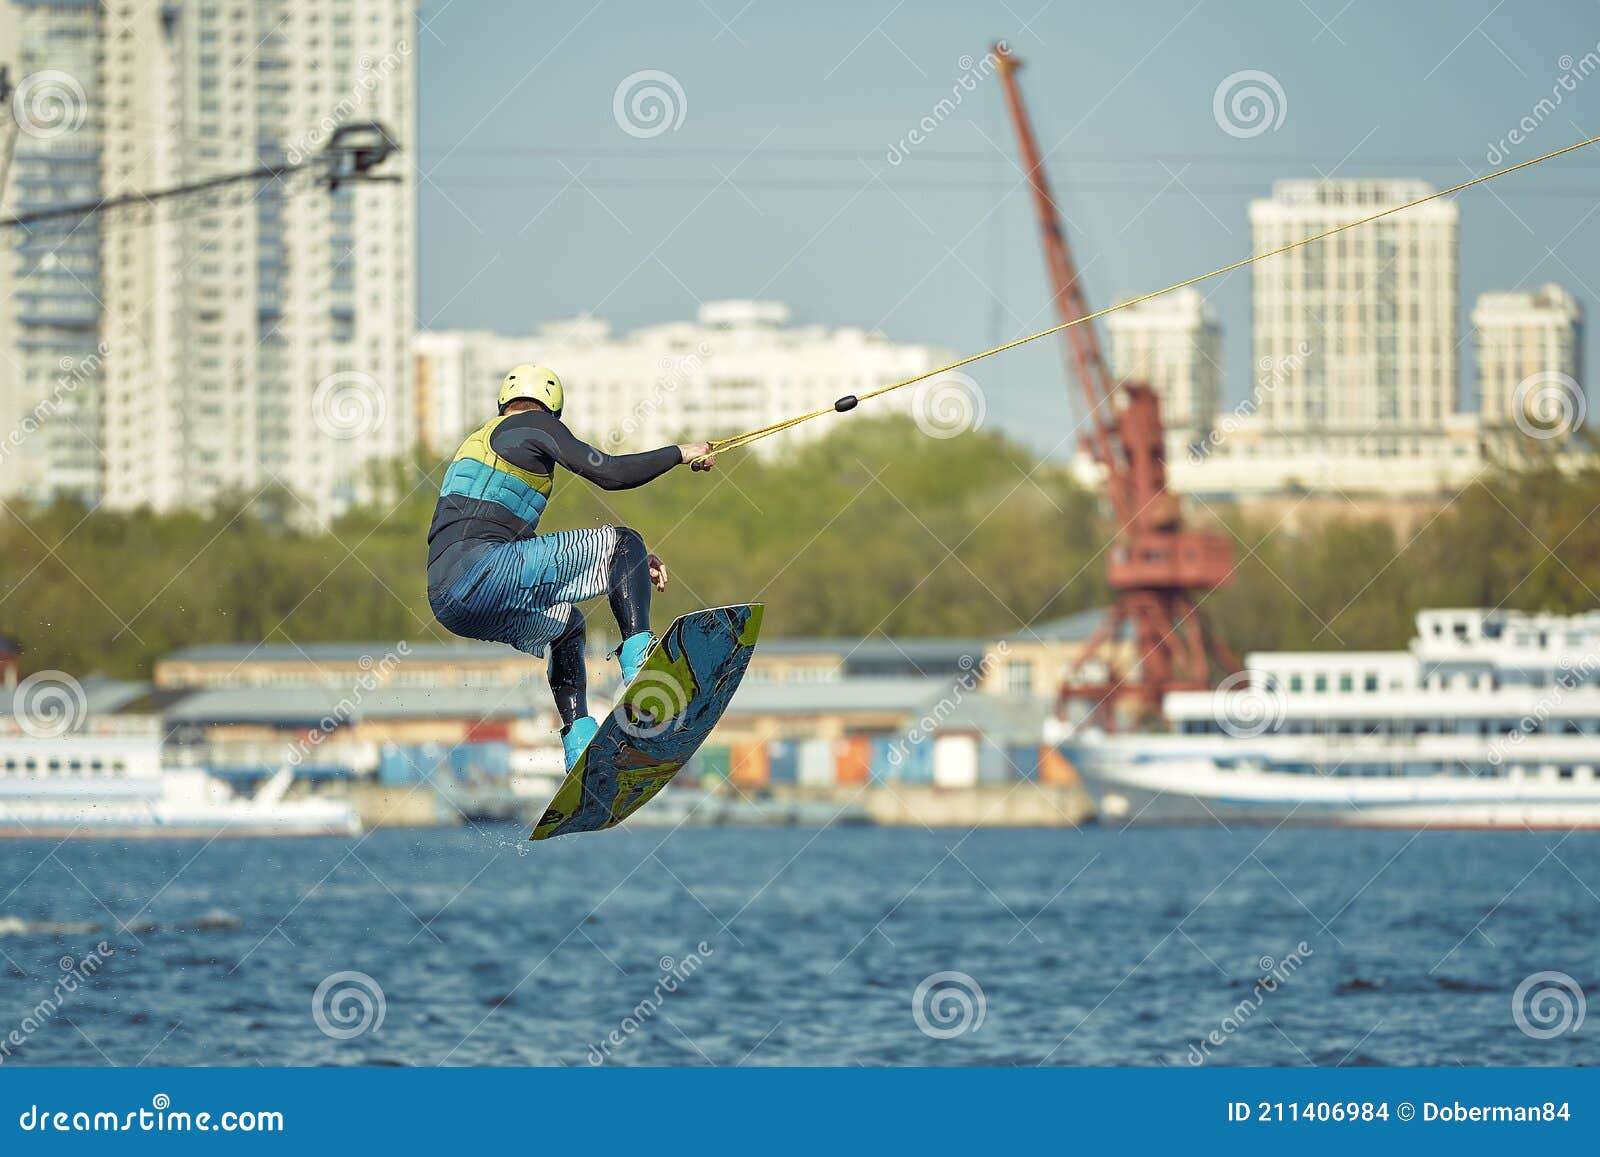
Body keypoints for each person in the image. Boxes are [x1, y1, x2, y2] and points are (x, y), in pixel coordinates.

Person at [426, 364, 716, 770]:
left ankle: (578, 739)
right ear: (552, 410)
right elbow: (610, 473)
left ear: (502, 403)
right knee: (624, 541)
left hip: (448, 602)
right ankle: (640, 661)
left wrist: (627, 570)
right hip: (485, 571)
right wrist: (680, 453)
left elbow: (495, 535)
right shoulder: (535, 425)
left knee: (567, 626)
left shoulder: (478, 446)